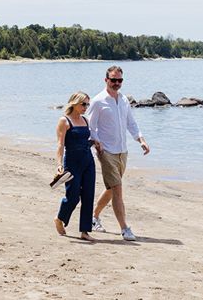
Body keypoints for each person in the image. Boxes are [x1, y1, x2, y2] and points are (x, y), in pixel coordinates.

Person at [88, 66, 150, 241]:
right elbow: (90, 127)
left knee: (111, 188)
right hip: (106, 151)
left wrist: (141, 140)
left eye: (119, 80)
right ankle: (125, 229)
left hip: (122, 151)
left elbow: (131, 123)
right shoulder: (98, 101)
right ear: (105, 80)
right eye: (113, 80)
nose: (116, 83)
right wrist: (96, 142)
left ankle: (94, 217)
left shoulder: (123, 100)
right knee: (117, 189)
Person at [53, 91, 96, 241]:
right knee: (73, 197)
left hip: (88, 161)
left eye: (87, 104)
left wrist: (96, 143)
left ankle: (85, 231)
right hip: (72, 162)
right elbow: (60, 145)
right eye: (83, 104)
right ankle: (60, 219)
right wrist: (59, 165)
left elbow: (86, 139)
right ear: (74, 103)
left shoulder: (85, 120)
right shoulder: (64, 121)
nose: (86, 107)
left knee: (88, 195)